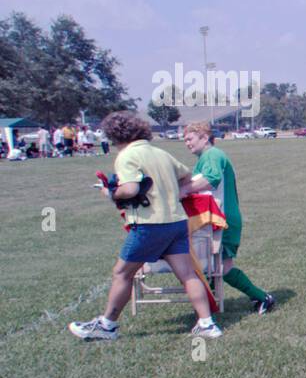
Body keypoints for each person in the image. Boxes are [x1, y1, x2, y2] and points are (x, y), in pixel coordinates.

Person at [68, 111, 223, 341]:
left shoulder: (126, 156)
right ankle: (207, 324)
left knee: (122, 273)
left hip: (149, 224)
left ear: (114, 135)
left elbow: (129, 190)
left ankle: (107, 325)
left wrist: (110, 192)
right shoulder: (160, 152)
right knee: (188, 274)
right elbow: (186, 175)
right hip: (176, 221)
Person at [181, 122, 275, 314]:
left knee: (223, 267)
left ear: (204, 138)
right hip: (214, 220)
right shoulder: (205, 157)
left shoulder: (212, 155)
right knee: (209, 264)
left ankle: (262, 297)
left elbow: (211, 178)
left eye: (189, 138)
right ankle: (210, 303)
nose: (186, 143)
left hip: (222, 220)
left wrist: (181, 191)